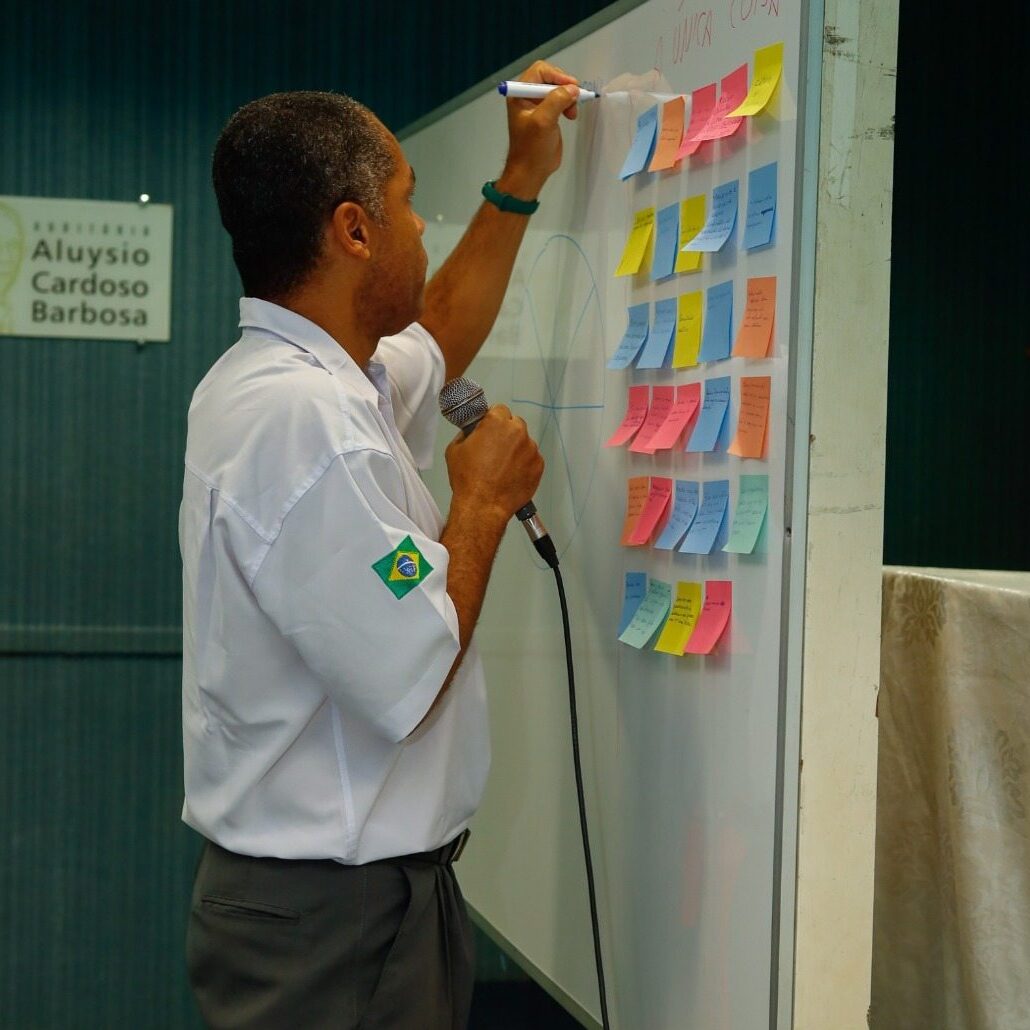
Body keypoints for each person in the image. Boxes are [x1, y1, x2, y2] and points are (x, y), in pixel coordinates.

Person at [179, 63, 580, 1030]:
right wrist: (480, 502)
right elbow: (414, 668)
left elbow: (438, 332)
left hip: (352, 904)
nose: (421, 228)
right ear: (353, 230)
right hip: (333, 922)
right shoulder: (300, 421)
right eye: (406, 204)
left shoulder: (306, 379)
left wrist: (520, 177)